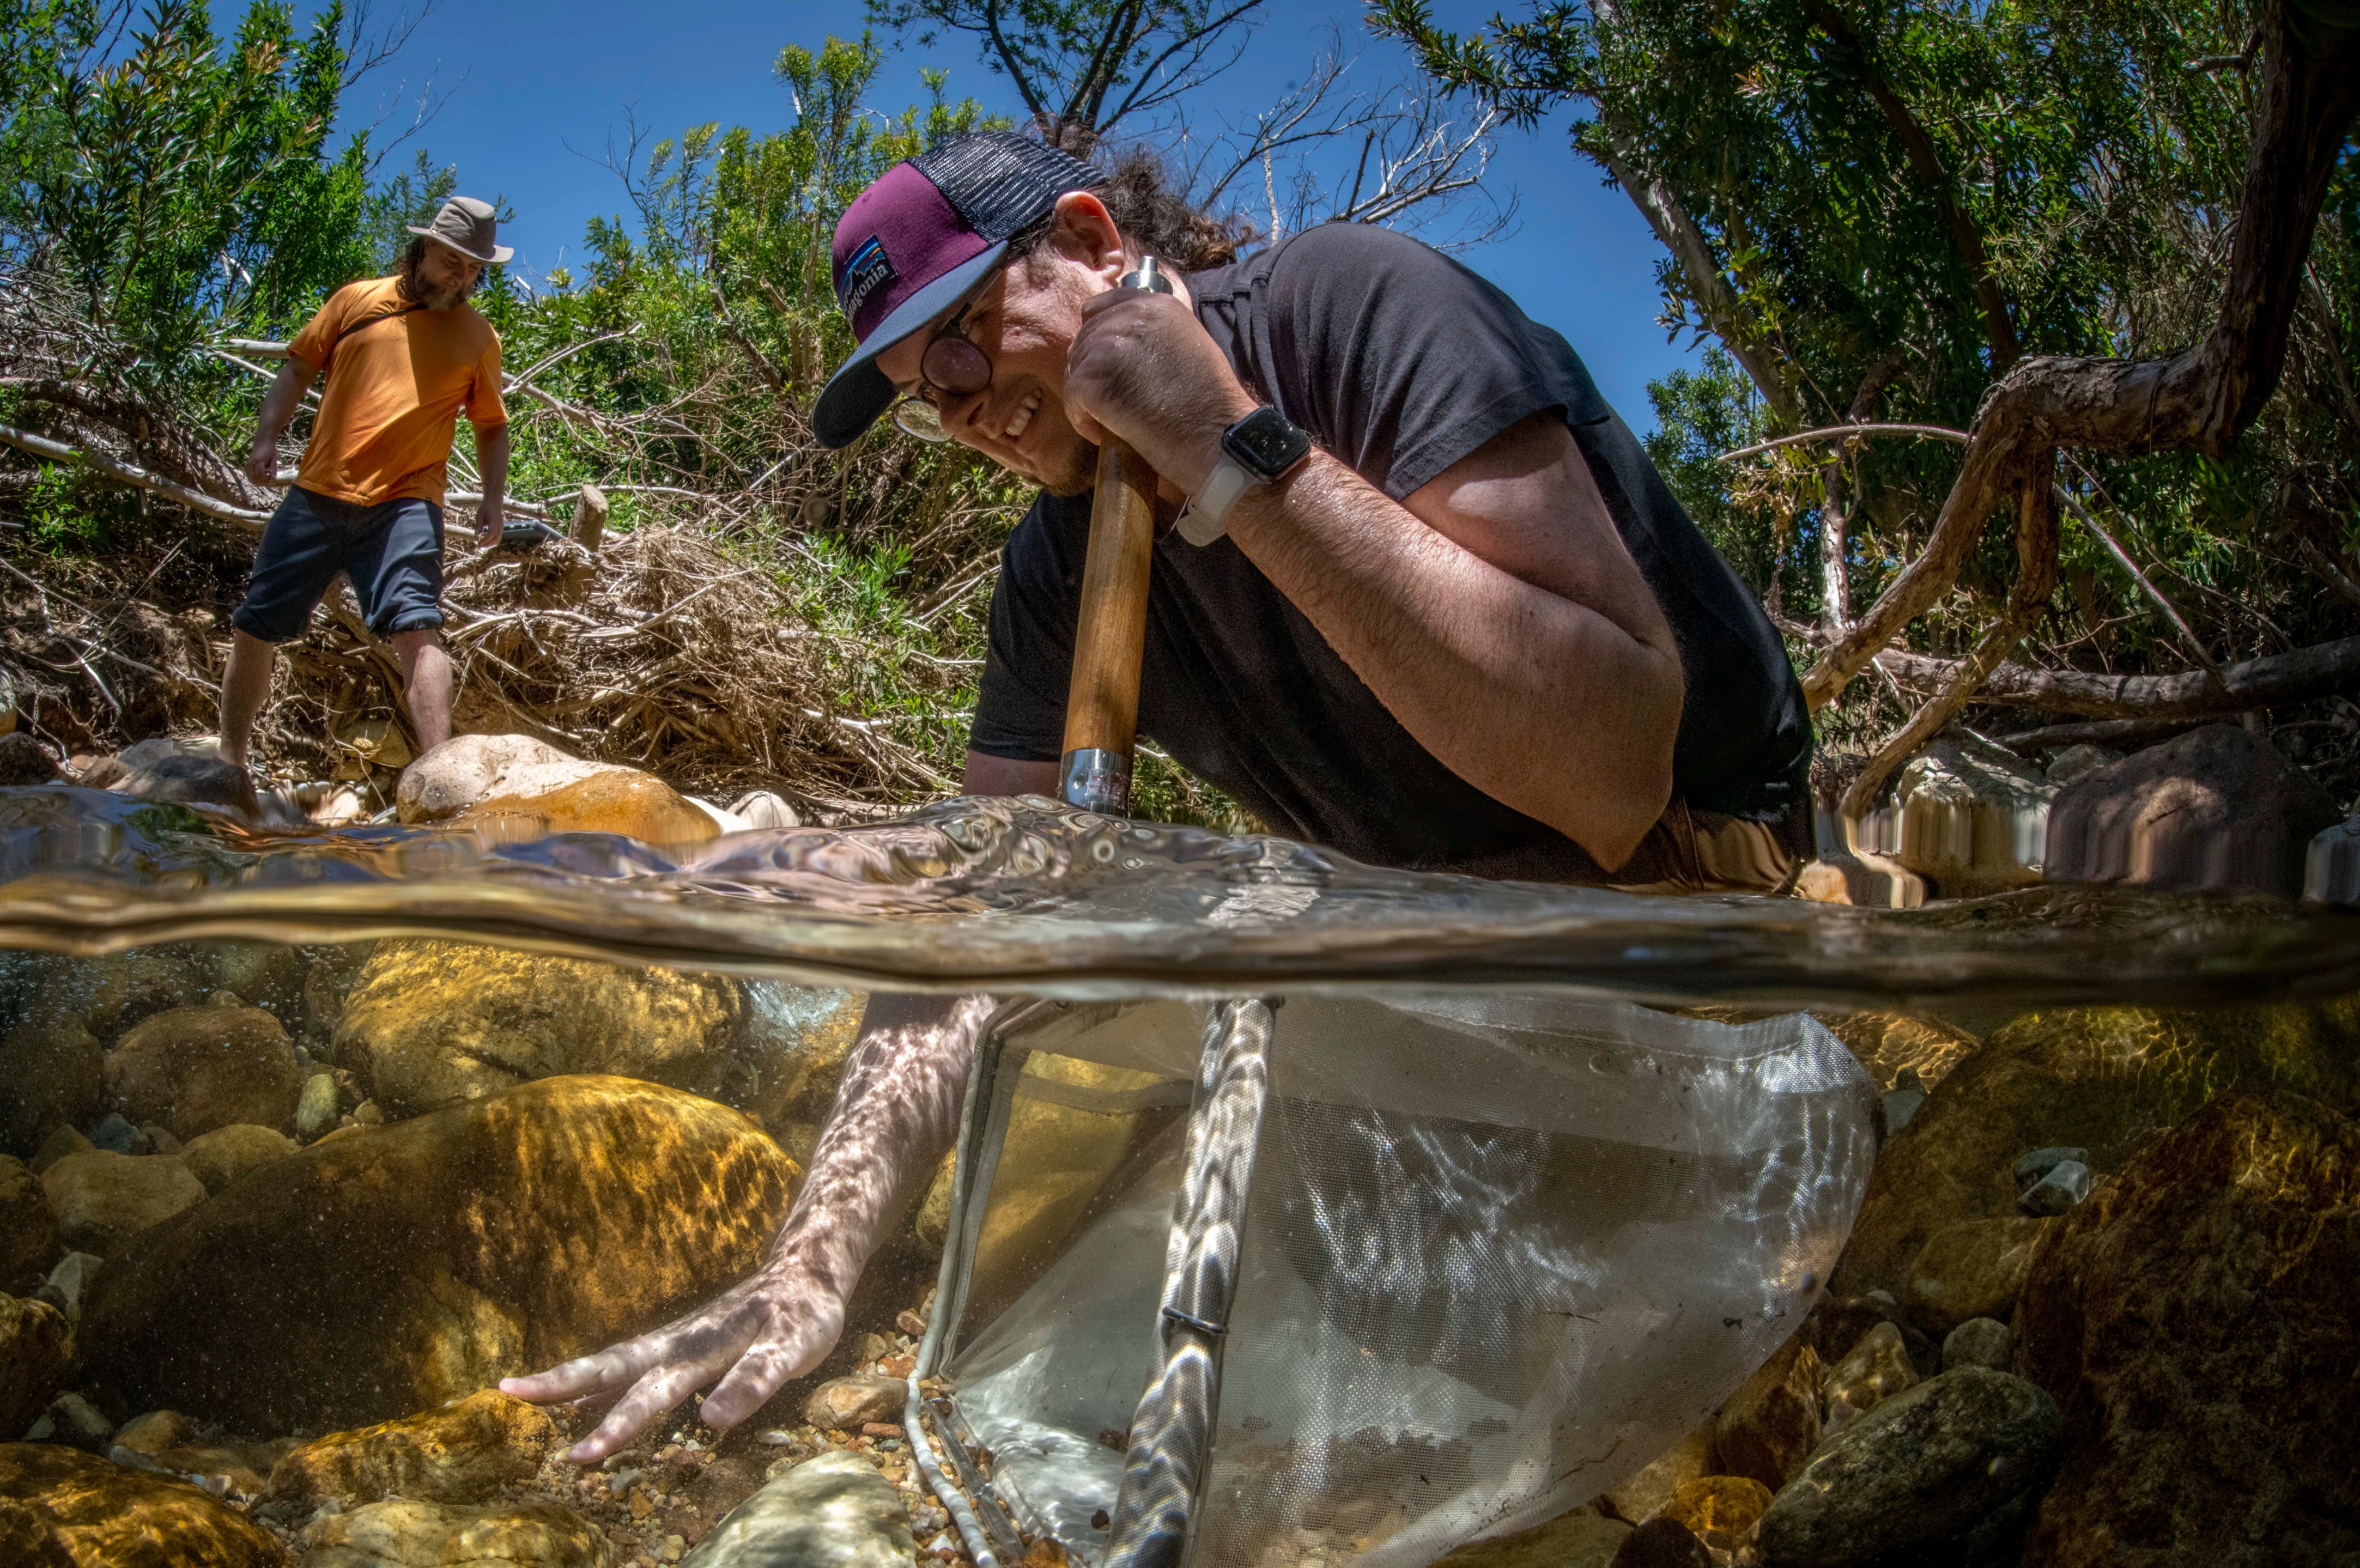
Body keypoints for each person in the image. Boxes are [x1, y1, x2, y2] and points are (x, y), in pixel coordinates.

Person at [500, 132, 1813, 1458]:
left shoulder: (1350, 308)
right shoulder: (1053, 580)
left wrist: (1224, 449)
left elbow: (1605, 775)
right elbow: (975, 927)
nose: (957, 402)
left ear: (1084, 240)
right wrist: (814, 1263)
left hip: (1694, 889)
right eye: (919, 386)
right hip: (1426, 947)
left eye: (962, 330)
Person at [217, 195, 515, 770]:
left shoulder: (478, 336)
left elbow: (491, 426)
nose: (465, 277)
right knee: (256, 624)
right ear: (424, 247)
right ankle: (229, 767)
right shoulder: (357, 300)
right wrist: (265, 436)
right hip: (319, 492)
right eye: (455, 261)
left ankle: (441, 777)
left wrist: (493, 500)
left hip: (406, 501)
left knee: (419, 629)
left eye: (477, 269)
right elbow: (299, 366)